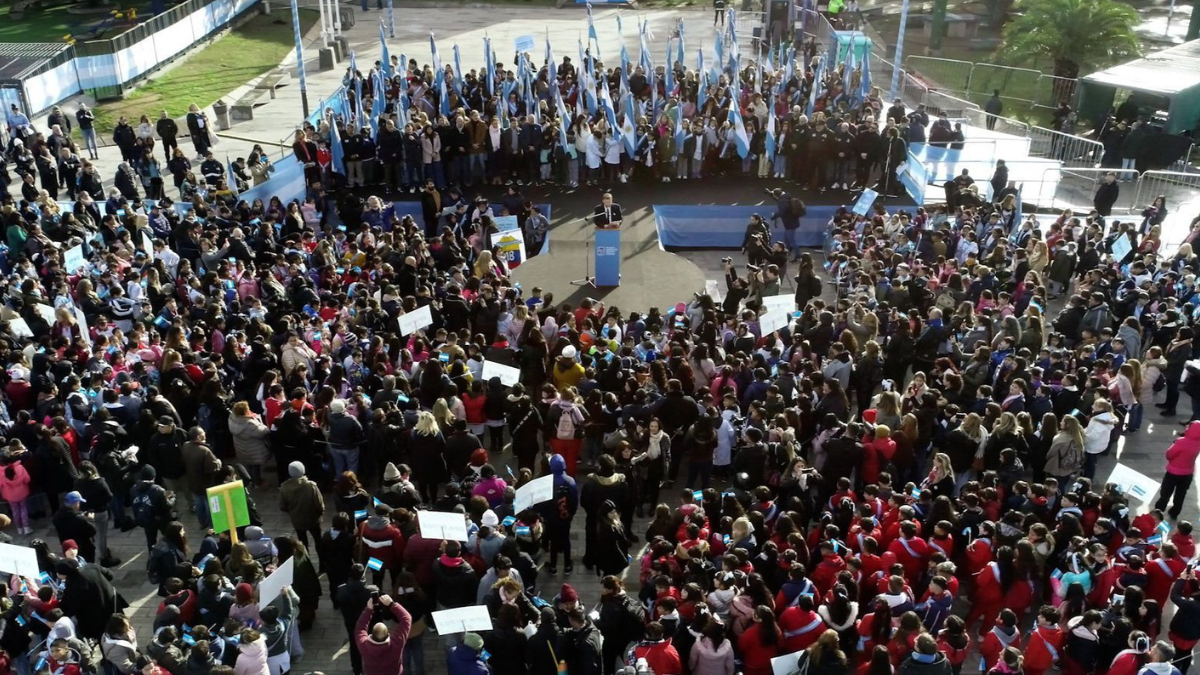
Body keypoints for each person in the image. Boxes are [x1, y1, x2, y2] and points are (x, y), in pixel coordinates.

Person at [354, 594, 413, 675]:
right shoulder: (396, 643)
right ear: (388, 634)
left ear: (371, 635)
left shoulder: (364, 645)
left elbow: (359, 629)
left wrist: (368, 610)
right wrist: (392, 604)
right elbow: (407, 619)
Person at [1155, 421, 1200, 519]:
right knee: (1181, 494)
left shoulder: (1181, 442)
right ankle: (1175, 512)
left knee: (1165, 493)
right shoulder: (1198, 443)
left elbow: (1169, 455)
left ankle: (1159, 510)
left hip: (1173, 472)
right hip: (1188, 473)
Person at [279, 461, 325, 547]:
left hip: (297, 520)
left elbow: (282, 506)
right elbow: (319, 503)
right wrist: (320, 513)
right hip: (313, 519)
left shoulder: (284, 487)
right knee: (318, 540)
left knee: (302, 542)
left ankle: (305, 559)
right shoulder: (310, 486)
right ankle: (322, 559)